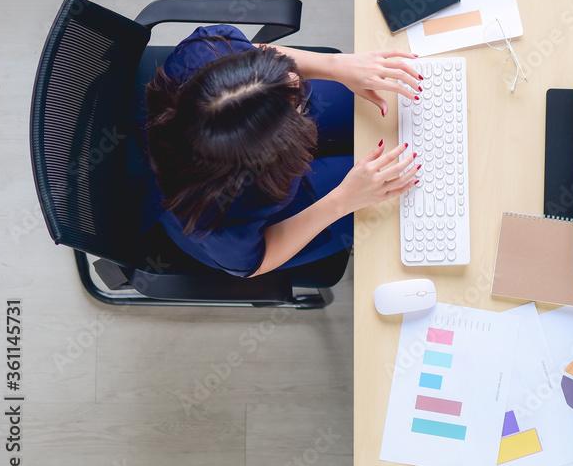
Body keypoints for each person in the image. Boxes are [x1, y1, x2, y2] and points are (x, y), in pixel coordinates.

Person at [142, 24, 422, 278]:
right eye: (294, 99)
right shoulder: (213, 219)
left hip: (258, 134)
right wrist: (342, 200)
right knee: (402, 193)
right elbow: (253, 263)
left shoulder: (203, 55)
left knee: (392, 102)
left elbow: (258, 55)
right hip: (265, 212)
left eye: (269, 68)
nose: (295, 76)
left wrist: (335, 64)